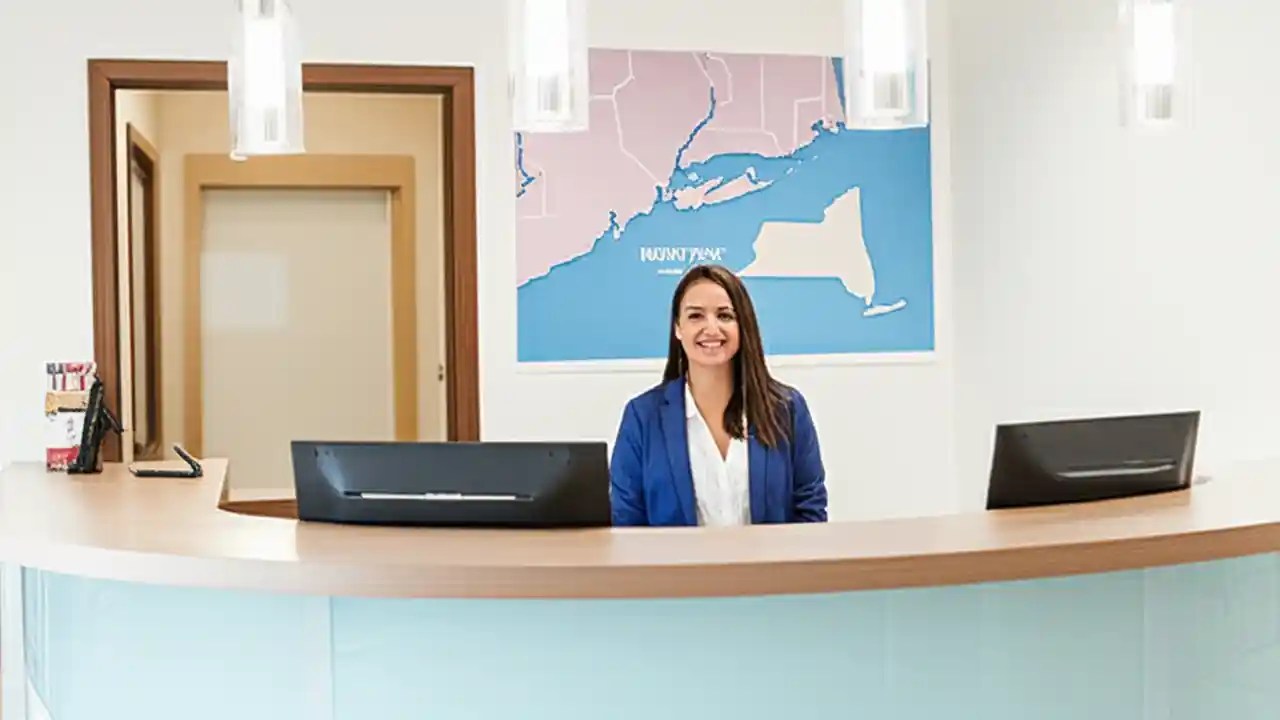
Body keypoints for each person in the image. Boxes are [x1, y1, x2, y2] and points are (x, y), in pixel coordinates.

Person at [609, 264, 828, 527]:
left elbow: (810, 512)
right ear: (678, 328)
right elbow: (626, 522)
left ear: (743, 326)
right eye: (696, 316)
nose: (711, 328)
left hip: (769, 568)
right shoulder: (642, 417)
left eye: (724, 316)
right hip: (677, 568)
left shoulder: (787, 409)